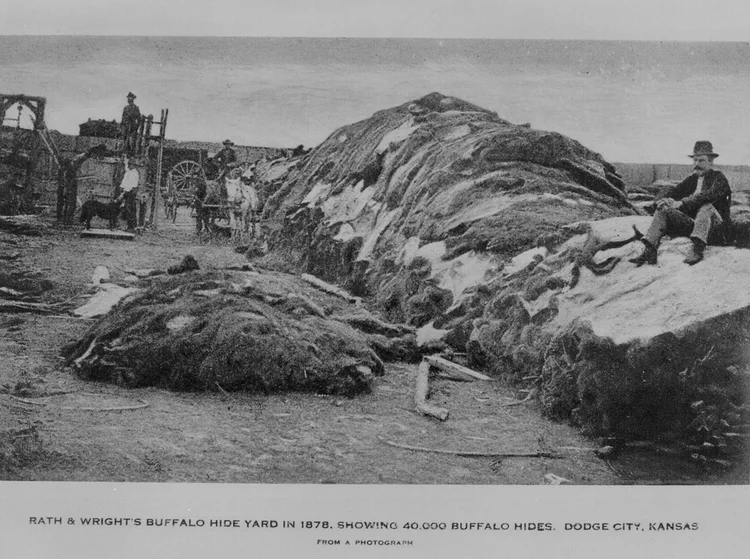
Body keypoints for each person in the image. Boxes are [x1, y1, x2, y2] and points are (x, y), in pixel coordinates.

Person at [630, 141, 731, 266]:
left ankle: (698, 249)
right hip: (695, 227)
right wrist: (666, 200)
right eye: (695, 160)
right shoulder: (692, 179)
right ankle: (650, 249)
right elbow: (675, 192)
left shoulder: (719, 178)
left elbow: (707, 196)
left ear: (711, 162)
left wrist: (681, 203)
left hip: (715, 228)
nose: (696, 164)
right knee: (663, 208)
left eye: (701, 161)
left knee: (707, 206)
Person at [115, 157, 140, 230]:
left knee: (130, 210)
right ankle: (128, 226)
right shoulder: (129, 171)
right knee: (126, 209)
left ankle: (131, 227)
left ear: (134, 165)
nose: (129, 165)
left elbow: (131, 186)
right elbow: (126, 167)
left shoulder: (134, 173)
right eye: (128, 164)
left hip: (130, 193)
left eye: (130, 164)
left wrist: (123, 194)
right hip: (126, 192)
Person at [120, 92, 141, 157]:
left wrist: (136, 127)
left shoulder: (136, 108)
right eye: (128, 98)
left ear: (133, 99)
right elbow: (123, 118)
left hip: (132, 127)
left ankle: (132, 155)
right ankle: (125, 154)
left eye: (130, 98)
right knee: (125, 141)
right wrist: (122, 127)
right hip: (126, 126)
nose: (129, 99)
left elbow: (139, 118)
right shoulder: (125, 108)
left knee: (132, 141)